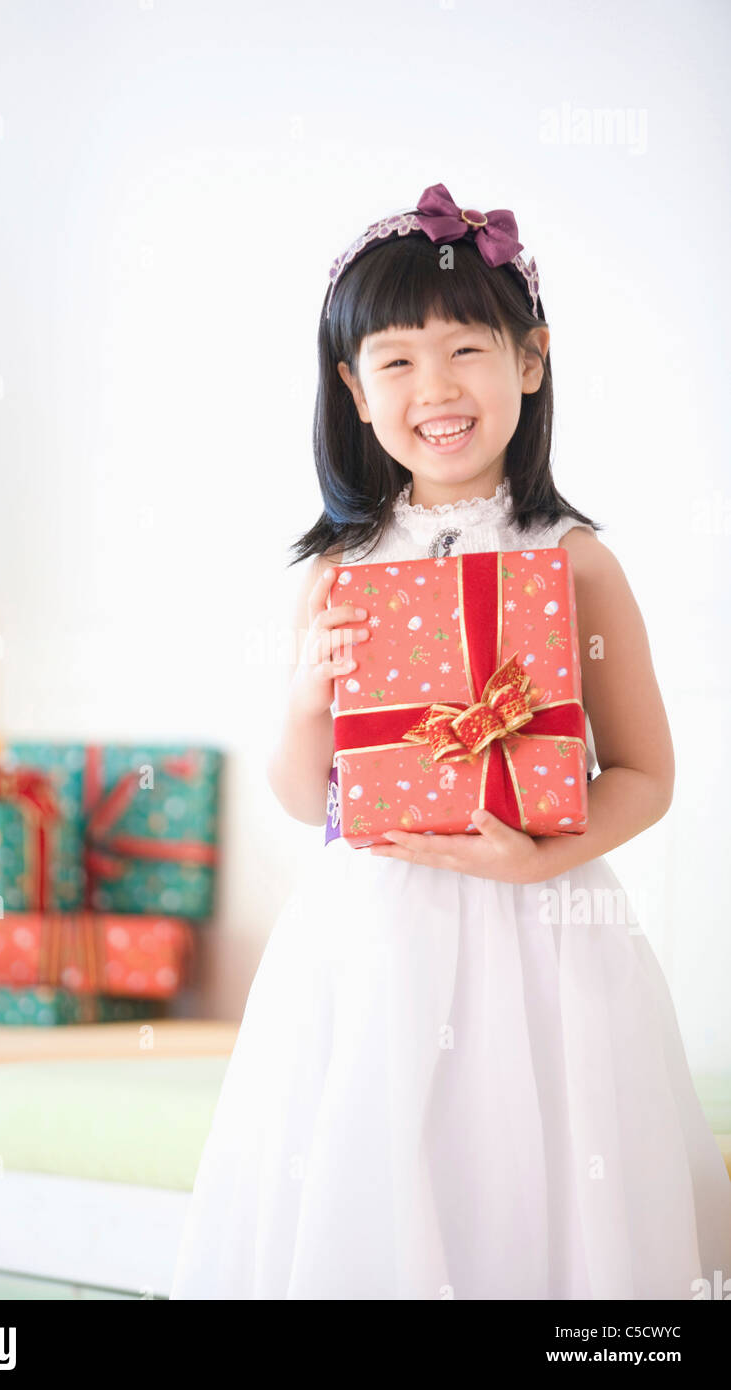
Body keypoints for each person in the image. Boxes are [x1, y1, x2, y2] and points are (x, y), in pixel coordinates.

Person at [169, 180, 731, 1300]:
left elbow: (645, 773)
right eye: (394, 359)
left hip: (543, 925)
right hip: (369, 930)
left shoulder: (573, 563)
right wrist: (300, 700)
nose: (435, 387)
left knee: (537, 1180)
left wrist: (537, 859)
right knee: (376, 1175)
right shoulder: (340, 573)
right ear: (350, 386)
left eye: (467, 348)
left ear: (529, 360)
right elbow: (303, 794)